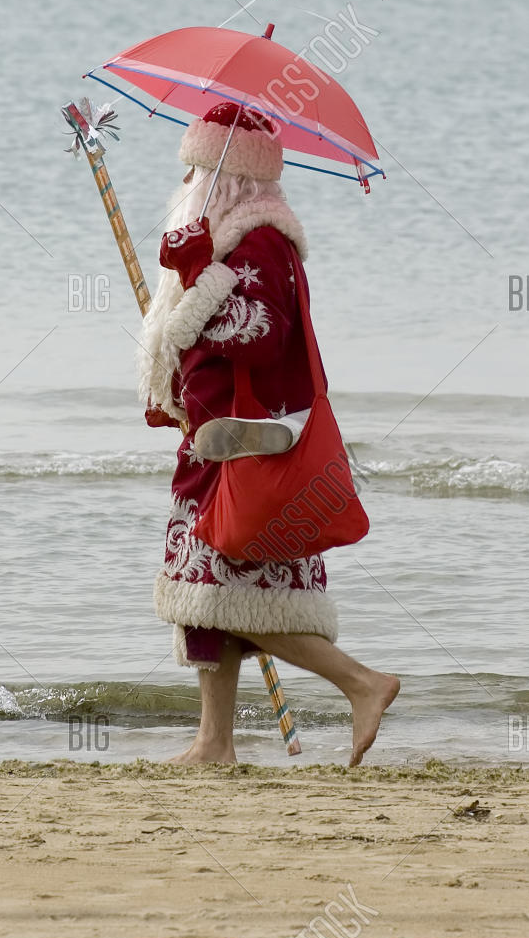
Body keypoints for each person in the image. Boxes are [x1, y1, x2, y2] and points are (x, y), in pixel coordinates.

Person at [138, 101, 400, 766]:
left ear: (227, 179)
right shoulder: (231, 238)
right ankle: (214, 742)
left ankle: (361, 682)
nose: (192, 184)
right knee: (209, 599)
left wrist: (200, 284)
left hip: (245, 448)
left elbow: (261, 332)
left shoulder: (257, 240)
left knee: (237, 600)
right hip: (219, 441)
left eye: (200, 171)